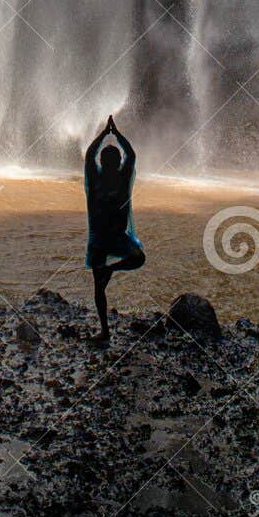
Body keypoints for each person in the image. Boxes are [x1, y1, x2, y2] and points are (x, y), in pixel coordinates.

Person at [84, 114, 145, 345]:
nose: (116, 161)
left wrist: (106, 134)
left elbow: (91, 155)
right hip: (101, 240)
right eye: (115, 157)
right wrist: (114, 134)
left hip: (114, 237)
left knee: (136, 259)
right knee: (99, 288)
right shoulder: (107, 180)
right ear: (114, 161)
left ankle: (113, 270)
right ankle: (104, 332)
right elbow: (131, 155)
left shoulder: (111, 180)